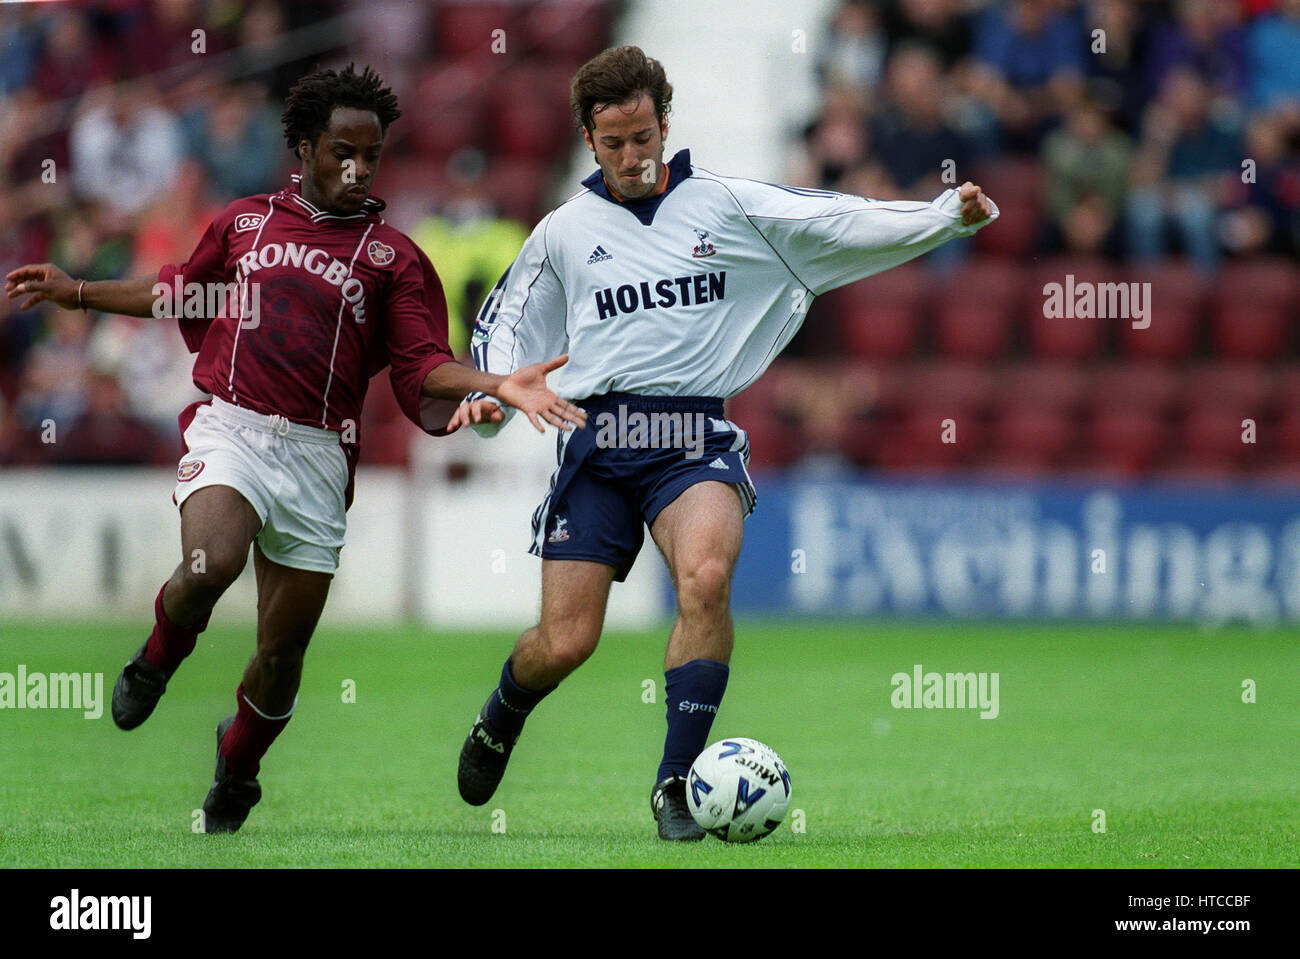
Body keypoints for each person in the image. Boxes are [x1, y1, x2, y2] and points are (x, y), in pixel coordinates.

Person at [5, 64, 584, 833]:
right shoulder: (245, 223)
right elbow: (178, 289)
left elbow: (418, 364)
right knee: (210, 563)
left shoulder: (393, 258)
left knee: (281, 657)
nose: (356, 169)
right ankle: (155, 657)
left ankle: (236, 767)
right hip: (235, 427)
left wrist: (494, 385)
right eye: (341, 151)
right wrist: (77, 290)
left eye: (370, 156)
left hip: (318, 457)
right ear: (305, 148)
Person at [453, 46, 997, 840]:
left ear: (665, 125)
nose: (633, 157)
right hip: (597, 441)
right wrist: (492, 396)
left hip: (691, 436)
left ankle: (676, 783)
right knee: (565, 643)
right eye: (615, 144)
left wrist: (942, 215)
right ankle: (504, 709)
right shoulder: (563, 233)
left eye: (643, 137)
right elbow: (507, 328)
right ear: (588, 139)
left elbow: (835, 218)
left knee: (705, 579)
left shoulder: (727, 205)